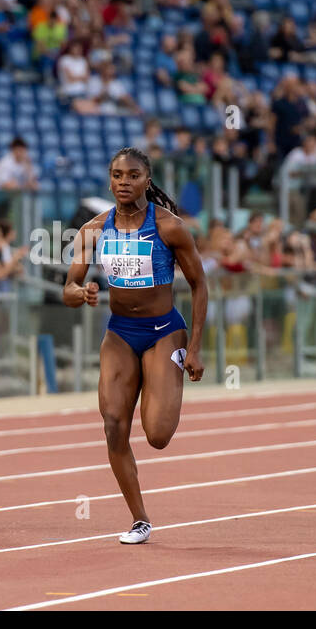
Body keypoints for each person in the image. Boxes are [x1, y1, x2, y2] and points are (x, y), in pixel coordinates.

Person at [63, 147, 207, 544]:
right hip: (120, 333)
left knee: (157, 435)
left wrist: (194, 347)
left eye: (132, 175)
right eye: (116, 175)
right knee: (113, 426)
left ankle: (164, 380)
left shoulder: (169, 227)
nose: (123, 182)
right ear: (109, 180)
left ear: (147, 179)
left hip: (163, 330)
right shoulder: (93, 229)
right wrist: (81, 292)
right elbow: (69, 286)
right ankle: (140, 519)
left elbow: (199, 284)